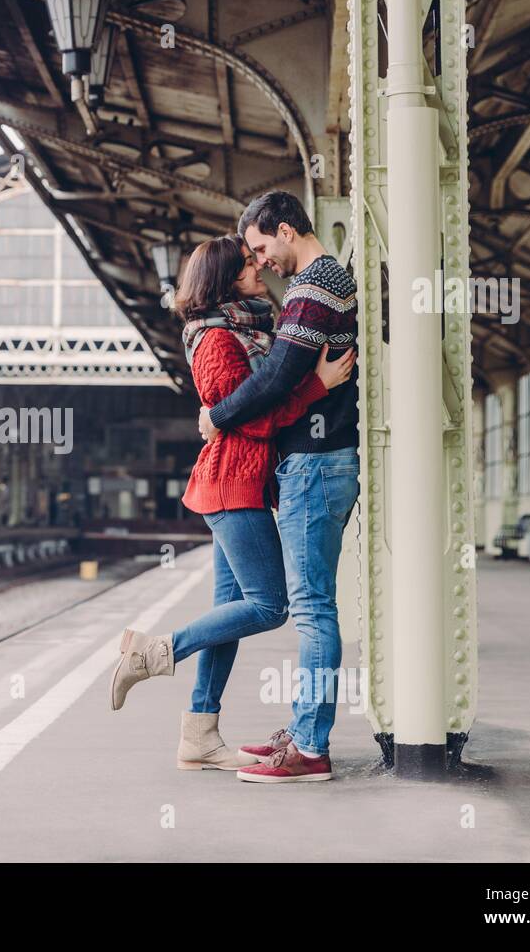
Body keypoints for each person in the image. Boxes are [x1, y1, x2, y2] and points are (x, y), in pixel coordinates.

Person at [108, 235, 356, 773]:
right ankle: (154, 652)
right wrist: (316, 385)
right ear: (223, 281)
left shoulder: (244, 327)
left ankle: (199, 732)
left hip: (241, 485)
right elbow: (250, 415)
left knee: (230, 614)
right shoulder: (218, 340)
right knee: (269, 607)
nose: (258, 269)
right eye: (247, 265)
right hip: (232, 486)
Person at [197, 190, 360, 784]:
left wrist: (218, 417)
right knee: (311, 608)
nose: (259, 260)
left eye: (262, 247)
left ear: (286, 230)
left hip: (317, 463)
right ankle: (302, 733)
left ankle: (311, 748)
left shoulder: (316, 285)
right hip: (313, 462)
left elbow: (275, 378)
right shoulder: (311, 285)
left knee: (313, 609)